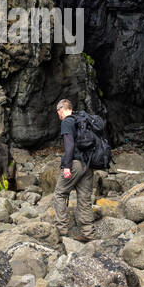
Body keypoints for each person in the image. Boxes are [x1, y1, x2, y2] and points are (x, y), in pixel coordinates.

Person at [53, 97, 95, 242]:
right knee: (84, 197)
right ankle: (88, 233)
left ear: (62, 109)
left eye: (58, 111)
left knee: (60, 194)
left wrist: (66, 167)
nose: (58, 115)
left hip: (75, 163)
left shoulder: (67, 121)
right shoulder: (82, 120)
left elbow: (69, 145)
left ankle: (61, 230)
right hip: (88, 164)